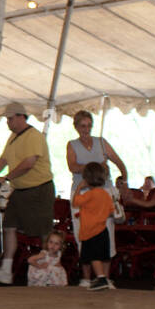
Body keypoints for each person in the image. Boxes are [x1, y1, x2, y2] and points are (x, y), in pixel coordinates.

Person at [0, 103, 55, 285]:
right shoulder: (13, 137)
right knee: (8, 226)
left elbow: (29, 163)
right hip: (19, 190)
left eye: (10, 118)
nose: (8, 122)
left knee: (43, 231)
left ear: (21, 116)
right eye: (7, 119)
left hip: (39, 189)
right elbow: (3, 159)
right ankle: (6, 270)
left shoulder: (34, 136)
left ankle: (51, 269)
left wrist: (5, 177)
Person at [65, 110, 128, 287]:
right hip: (83, 191)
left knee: (106, 233)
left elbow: (118, 161)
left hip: (104, 192)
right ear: (76, 127)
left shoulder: (101, 143)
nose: (86, 129)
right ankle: (86, 277)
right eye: (82, 126)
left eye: (89, 125)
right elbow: (72, 166)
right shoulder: (72, 145)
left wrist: (123, 179)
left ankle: (105, 277)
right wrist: (95, 169)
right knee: (82, 233)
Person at [71, 162, 114, 291]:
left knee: (93, 256)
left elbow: (75, 202)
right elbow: (111, 211)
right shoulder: (105, 194)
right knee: (102, 255)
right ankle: (102, 277)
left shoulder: (89, 195)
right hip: (102, 229)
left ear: (87, 179)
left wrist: (79, 188)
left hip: (90, 231)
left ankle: (101, 278)